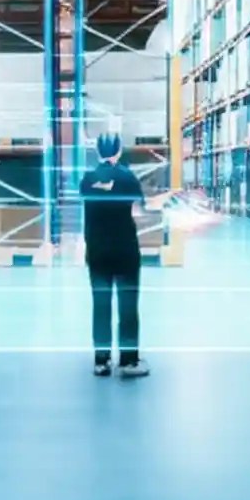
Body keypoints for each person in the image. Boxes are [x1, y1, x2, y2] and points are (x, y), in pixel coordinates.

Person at [79, 132, 170, 378]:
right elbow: (140, 211)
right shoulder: (128, 177)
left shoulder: (87, 179)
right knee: (128, 305)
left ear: (97, 151)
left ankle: (101, 361)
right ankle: (129, 362)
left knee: (101, 305)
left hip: (97, 250)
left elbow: (92, 205)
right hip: (124, 250)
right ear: (119, 151)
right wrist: (160, 202)